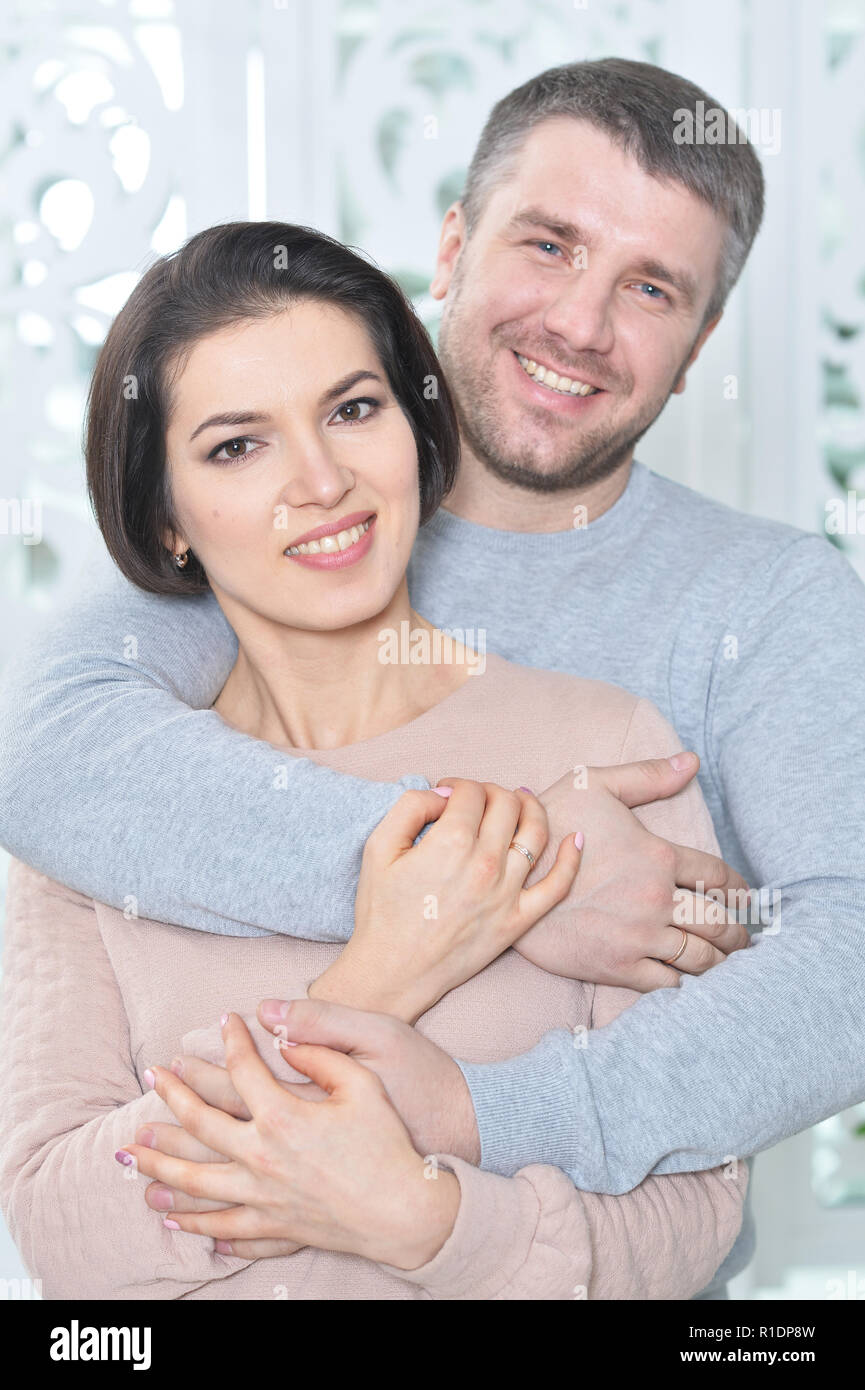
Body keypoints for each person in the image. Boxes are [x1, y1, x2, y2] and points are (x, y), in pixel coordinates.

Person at [0, 57, 863, 1299]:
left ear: (700, 343)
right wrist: (497, 875)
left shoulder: (761, 611)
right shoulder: (282, 547)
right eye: (550, 243)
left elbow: (850, 961)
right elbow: (49, 756)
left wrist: (463, 1123)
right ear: (451, 244)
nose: (578, 322)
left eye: (651, 286)